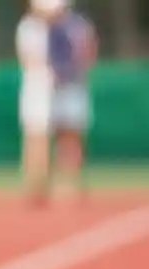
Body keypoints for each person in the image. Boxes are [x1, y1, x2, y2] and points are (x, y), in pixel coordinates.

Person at [16, 0, 99, 206]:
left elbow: (87, 52)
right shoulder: (28, 28)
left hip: (70, 86)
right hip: (40, 88)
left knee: (70, 136)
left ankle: (71, 186)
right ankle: (37, 187)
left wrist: (71, 72)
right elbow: (29, 58)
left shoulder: (76, 26)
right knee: (37, 137)